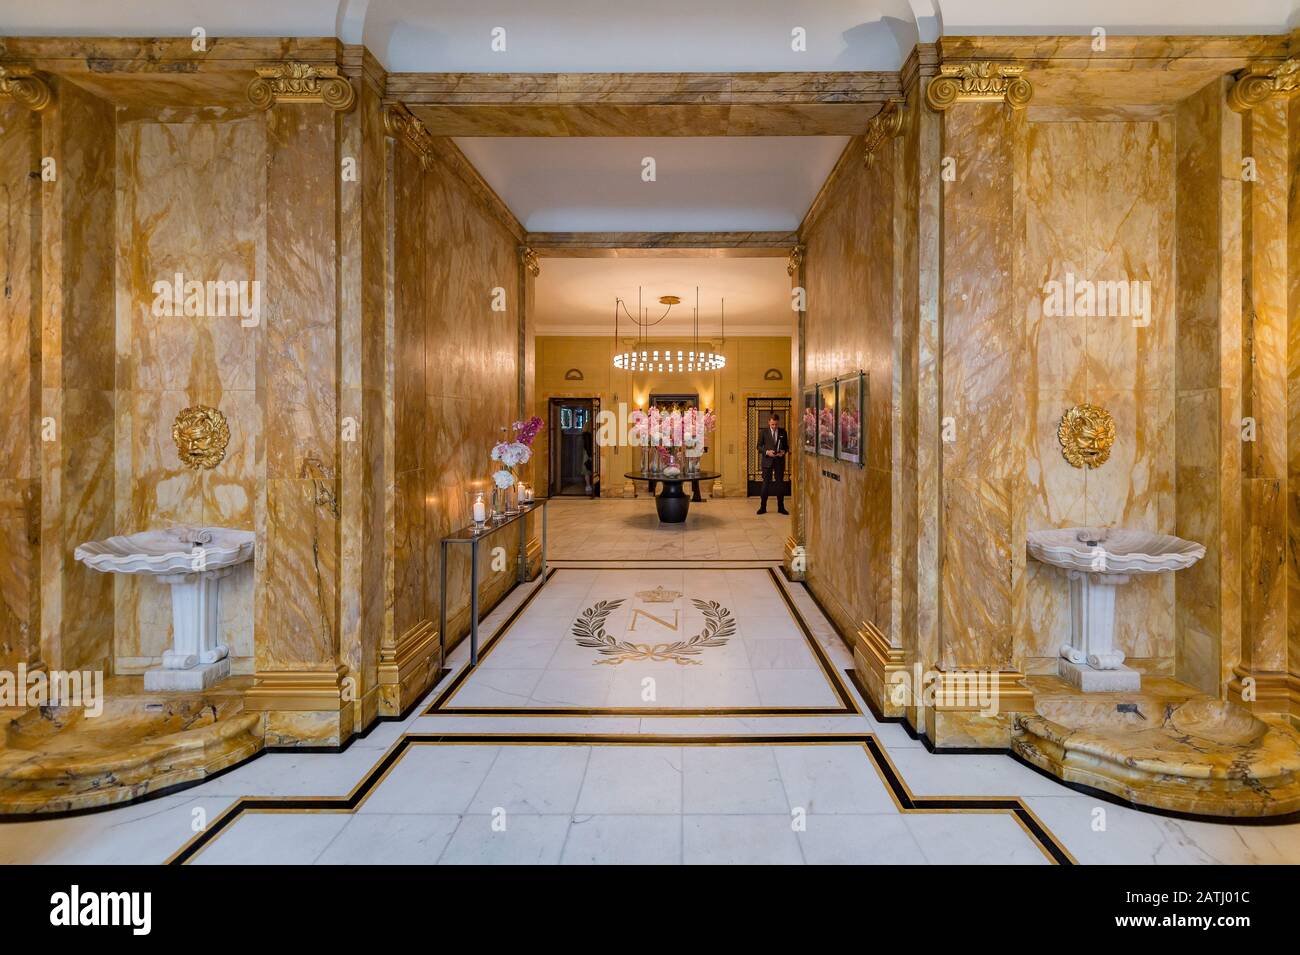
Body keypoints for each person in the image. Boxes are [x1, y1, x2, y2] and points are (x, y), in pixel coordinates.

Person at [755, 412, 789, 515]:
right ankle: (763, 507)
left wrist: (783, 452)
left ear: (778, 423)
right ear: (769, 422)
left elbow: (786, 447)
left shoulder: (783, 432)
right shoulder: (763, 432)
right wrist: (767, 452)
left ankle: (781, 507)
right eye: (772, 424)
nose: (774, 426)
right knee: (765, 484)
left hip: (779, 461)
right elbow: (759, 447)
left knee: (780, 484)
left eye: (776, 424)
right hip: (767, 461)